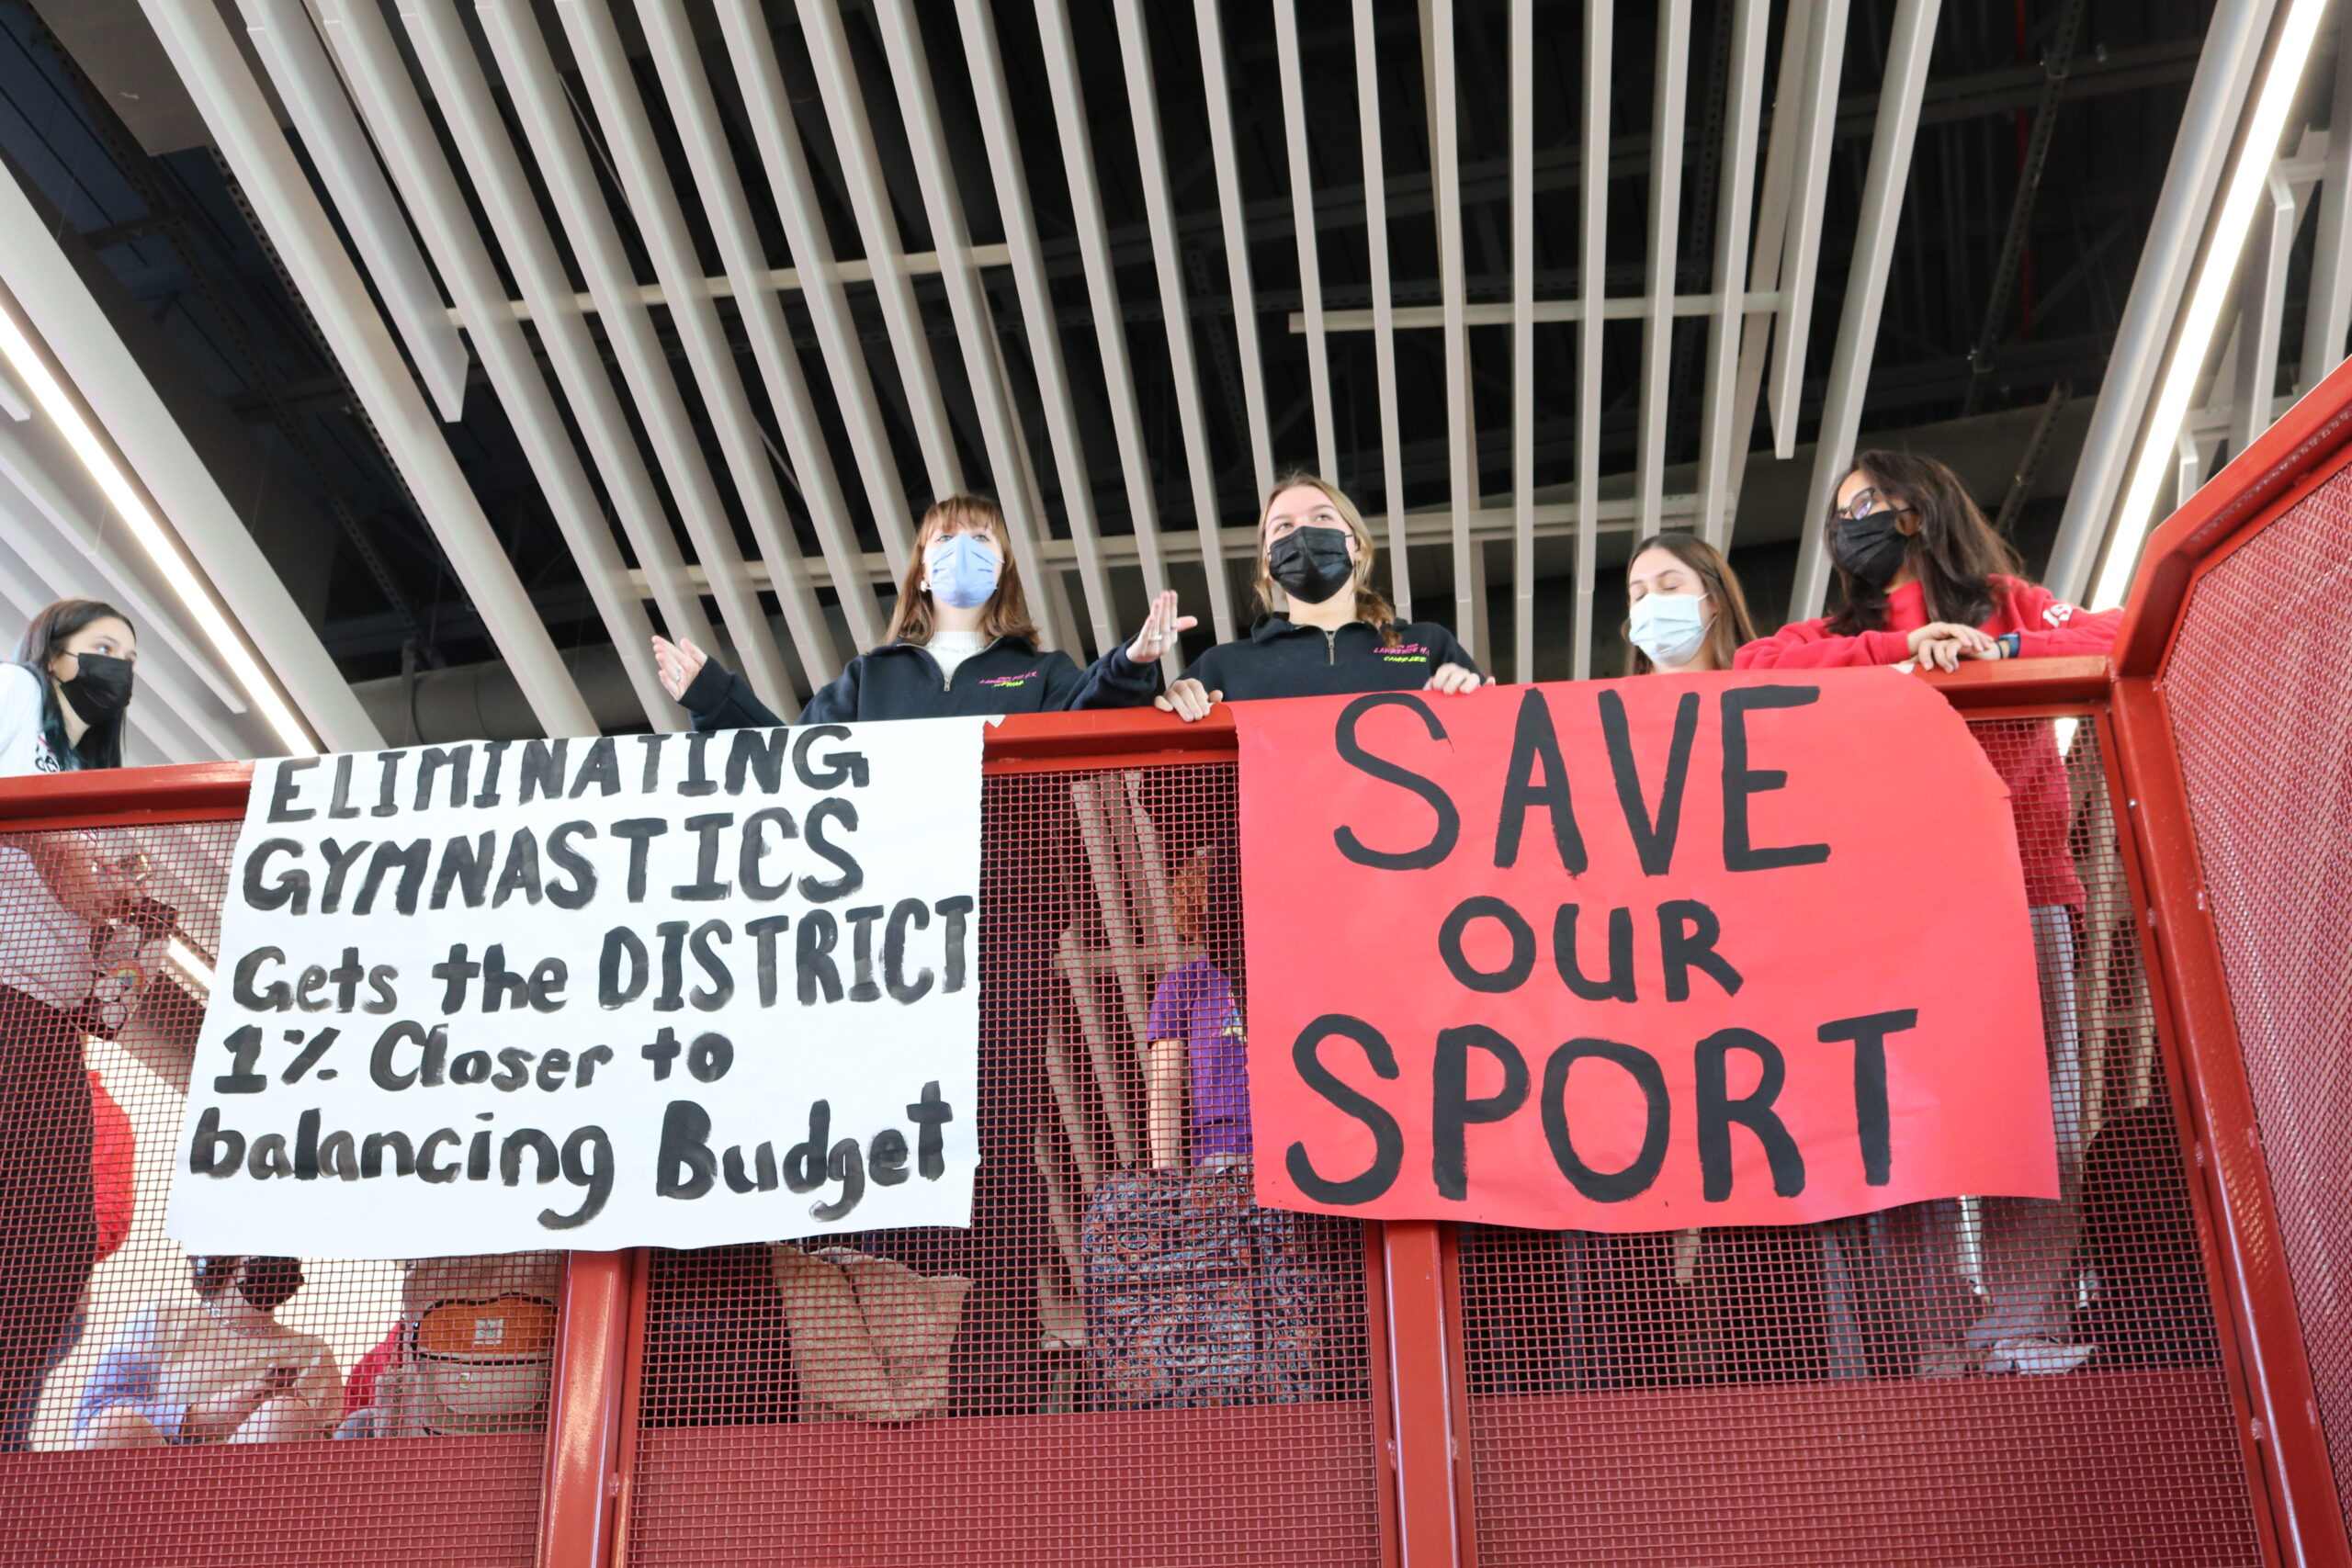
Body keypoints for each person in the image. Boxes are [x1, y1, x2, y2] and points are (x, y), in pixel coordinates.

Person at [1736, 450, 2120, 1375]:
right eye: (1841, 511)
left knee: (2037, 1123)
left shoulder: (2009, 602)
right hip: (1892, 921)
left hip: (2016, 896)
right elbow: (1756, 665)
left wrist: (1999, 651)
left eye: (1868, 500)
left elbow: (2114, 635)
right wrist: (1901, 653)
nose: (1850, 521)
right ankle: (1934, 1340)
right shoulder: (1824, 630)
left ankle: (2017, 1328)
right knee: (1905, 1129)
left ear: (1920, 507)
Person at [0, 599, 144, 1450]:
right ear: (56, 657)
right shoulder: (15, 691)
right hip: (5, 991)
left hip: (55, 1020)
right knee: (37, 1238)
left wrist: (121, 922)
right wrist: (95, 892)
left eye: (129, 656)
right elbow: (25, 810)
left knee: (54, 1252)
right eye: (103, 649)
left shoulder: (95, 776)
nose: (119, 668)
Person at [654, 493, 1169, 726]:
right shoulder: (869, 679)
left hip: (1006, 906)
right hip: (888, 901)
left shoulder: (1042, 673)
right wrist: (716, 699)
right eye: (945, 538)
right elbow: (792, 764)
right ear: (923, 571)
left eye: (981, 538)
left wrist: (1134, 662)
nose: (962, 548)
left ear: (1002, 567)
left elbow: (1092, 717)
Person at [1153, 474, 1486, 721]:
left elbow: (1499, 760)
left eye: (1322, 517)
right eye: (1283, 526)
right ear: (1269, 564)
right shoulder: (1223, 666)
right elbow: (1167, 800)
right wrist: (1176, 716)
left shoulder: (1428, 643)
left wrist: (1473, 705)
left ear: (1357, 546)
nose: (1302, 533)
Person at [74, 1256, 340, 1448]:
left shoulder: (312, 1353)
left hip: (246, 1498)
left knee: (284, 1412)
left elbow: (332, 1448)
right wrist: (199, 1417)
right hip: (161, 1488)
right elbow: (92, 1415)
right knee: (116, 1424)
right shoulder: (163, 1320)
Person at [0, 599, 138, 773]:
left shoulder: (79, 767)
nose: (120, 665)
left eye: (129, 661)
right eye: (104, 649)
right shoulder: (17, 684)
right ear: (52, 656)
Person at [1622, 532, 1758, 674]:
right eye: (1640, 595)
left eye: (1670, 586)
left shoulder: (1765, 689)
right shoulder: (1610, 696)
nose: (1651, 602)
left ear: (1715, 598)